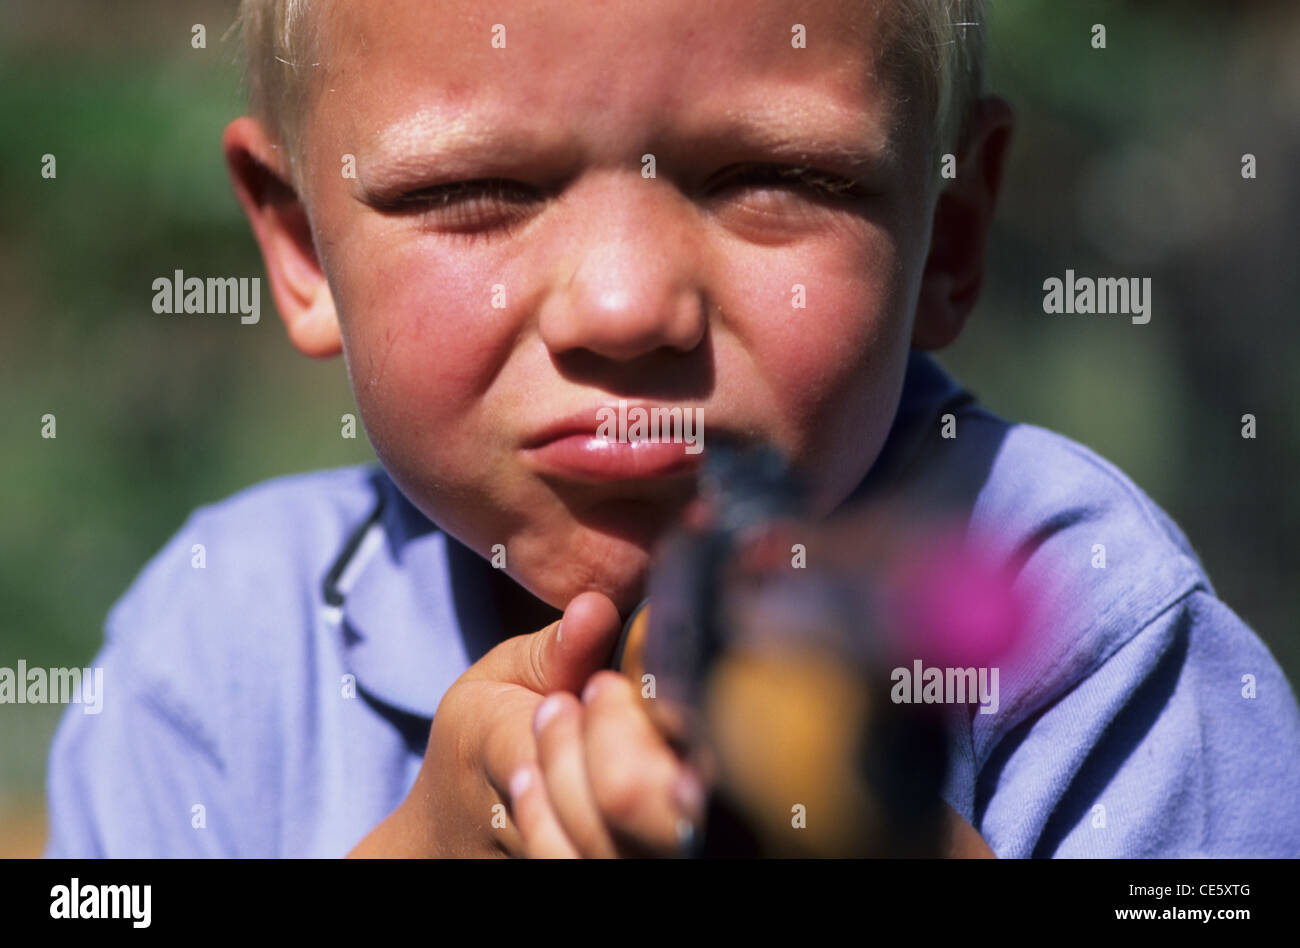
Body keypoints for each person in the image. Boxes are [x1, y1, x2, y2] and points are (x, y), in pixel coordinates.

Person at [44, 0, 1300, 857]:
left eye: (777, 180)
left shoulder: (1091, 632)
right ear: (301, 242)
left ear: (949, 234)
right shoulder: (215, 648)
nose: (627, 308)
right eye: (473, 192)